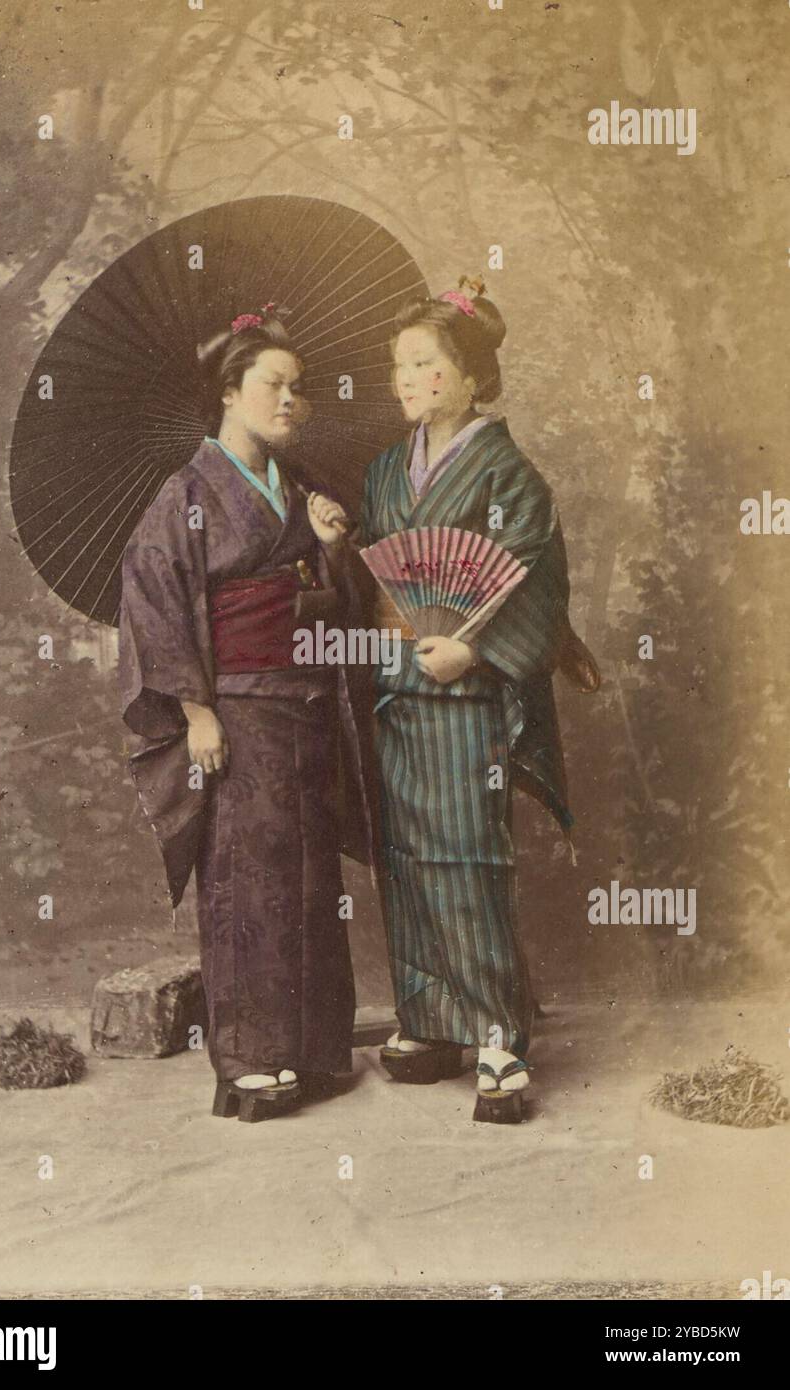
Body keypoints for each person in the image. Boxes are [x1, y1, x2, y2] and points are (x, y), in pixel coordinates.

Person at [320, 277, 590, 1122]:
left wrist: (471, 644)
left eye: (425, 364)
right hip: (399, 685)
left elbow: (533, 575)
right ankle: (431, 1020)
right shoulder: (382, 473)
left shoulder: (507, 472)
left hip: (467, 691)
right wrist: (338, 544)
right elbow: (374, 577)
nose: (405, 379)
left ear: (472, 377)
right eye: (398, 365)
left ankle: (499, 1036)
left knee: (468, 859)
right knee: (405, 860)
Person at [117, 305, 375, 1123]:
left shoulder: (296, 494)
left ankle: (315, 1048)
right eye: (273, 386)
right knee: (244, 877)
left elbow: (329, 608)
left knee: (307, 877)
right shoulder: (188, 493)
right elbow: (155, 596)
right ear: (229, 393)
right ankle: (252, 1060)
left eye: (298, 389)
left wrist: (331, 551)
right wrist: (195, 711)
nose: (291, 402)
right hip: (233, 706)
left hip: (303, 706)